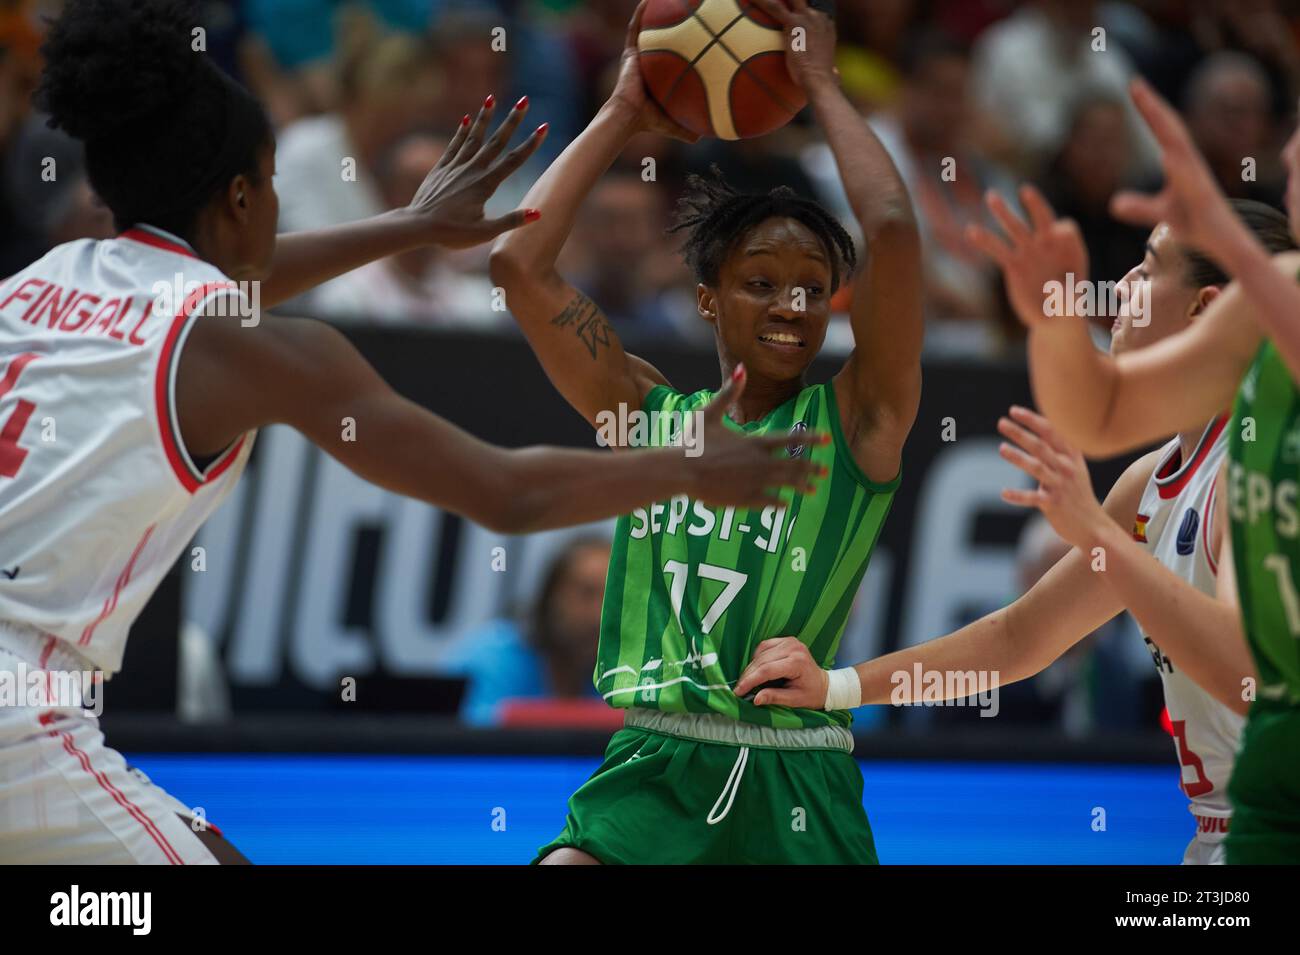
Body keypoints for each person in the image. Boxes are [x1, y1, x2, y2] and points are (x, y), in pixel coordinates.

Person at [0, 0, 826, 866]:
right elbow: (507, 491)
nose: (281, 208)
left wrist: (413, 224)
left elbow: (226, 277)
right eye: (273, 182)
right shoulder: (255, 349)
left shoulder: (45, 277)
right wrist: (685, 466)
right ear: (241, 196)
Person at [491, 0, 923, 864]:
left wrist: (822, 87)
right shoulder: (648, 420)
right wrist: (621, 110)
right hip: (656, 761)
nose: (790, 304)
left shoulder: (859, 420)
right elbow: (516, 263)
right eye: (761, 281)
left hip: (797, 772)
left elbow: (893, 232)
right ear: (707, 300)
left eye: (810, 287)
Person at [738, 199, 1296, 863]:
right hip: (1218, 839)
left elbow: (1250, 676)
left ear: (1206, 308)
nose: (1119, 287)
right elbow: (1020, 637)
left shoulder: (1259, 470)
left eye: (1146, 270)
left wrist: (1098, 537)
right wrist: (839, 687)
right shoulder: (1152, 480)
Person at [969, 77, 1300, 864]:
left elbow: (1243, 672)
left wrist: (1095, 536)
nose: (1286, 160)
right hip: (1237, 833)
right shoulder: (1272, 304)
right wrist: (1051, 320)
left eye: (1298, 156)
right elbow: (1101, 416)